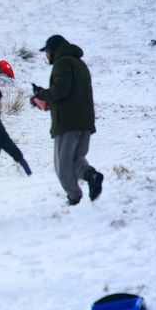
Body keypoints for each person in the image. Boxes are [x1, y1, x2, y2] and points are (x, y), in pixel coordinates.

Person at [31, 35, 103, 205]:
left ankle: (74, 198)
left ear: (53, 50)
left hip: (68, 123)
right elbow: (70, 93)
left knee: (62, 164)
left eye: (47, 52)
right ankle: (91, 176)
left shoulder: (62, 63)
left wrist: (40, 95)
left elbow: (61, 91)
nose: (47, 56)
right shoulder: (79, 64)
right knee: (75, 159)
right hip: (84, 121)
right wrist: (46, 95)